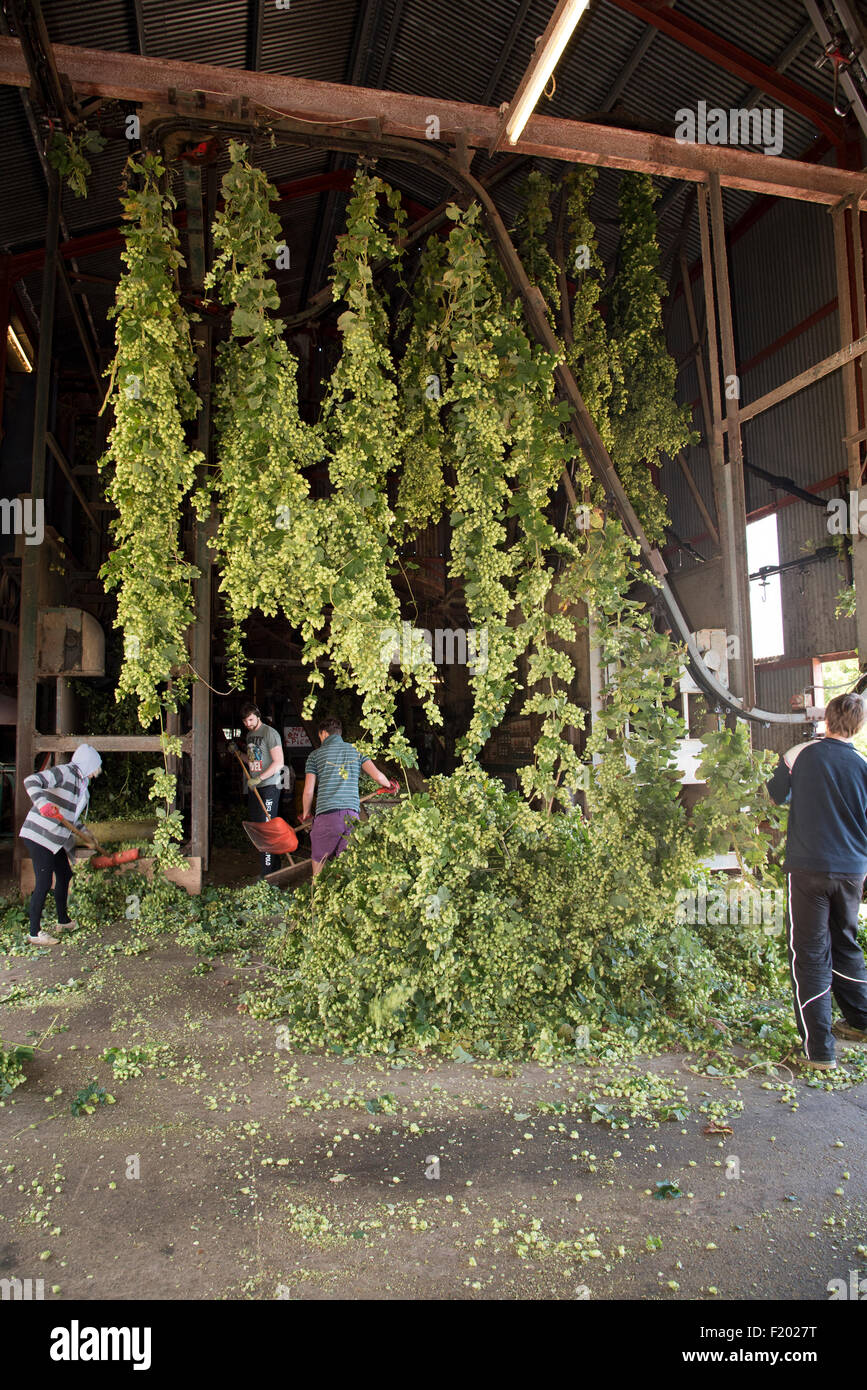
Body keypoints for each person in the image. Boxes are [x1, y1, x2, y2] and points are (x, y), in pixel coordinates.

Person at [768, 692, 867, 1069]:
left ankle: (819, 1051)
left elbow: (775, 795)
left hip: (808, 868)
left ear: (826, 718)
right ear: (858, 726)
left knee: (809, 953)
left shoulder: (799, 755)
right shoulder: (863, 763)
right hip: (852, 870)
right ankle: (860, 1022)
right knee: (846, 944)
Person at [19, 744, 102, 946]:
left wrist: (88, 835)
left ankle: (63, 921)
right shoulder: (65, 772)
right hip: (39, 835)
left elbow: (70, 819)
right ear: (88, 763)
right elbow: (31, 781)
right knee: (44, 883)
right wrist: (43, 805)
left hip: (53, 839)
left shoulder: (81, 785)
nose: (95, 774)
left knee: (65, 874)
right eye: (95, 768)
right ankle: (34, 933)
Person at [303, 715, 398, 877]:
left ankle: (317, 896)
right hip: (353, 816)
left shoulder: (315, 756)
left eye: (320, 736)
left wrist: (306, 814)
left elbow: (308, 790)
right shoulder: (356, 750)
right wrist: (390, 786)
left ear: (324, 734)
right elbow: (378, 777)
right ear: (339, 734)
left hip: (327, 816)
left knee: (319, 862)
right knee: (346, 866)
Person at [238, 701, 285, 877]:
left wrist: (260, 778)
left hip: (269, 786)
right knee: (259, 827)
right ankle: (275, 863)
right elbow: (252, 761)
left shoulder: (270, 733)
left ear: (257, 716)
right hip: (255, 786)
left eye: (250, 720)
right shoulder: (250, 736)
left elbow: (278, 762)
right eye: (245, 722)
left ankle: (268, 873)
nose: (248, 724)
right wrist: (238, 753)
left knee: (267, 828)